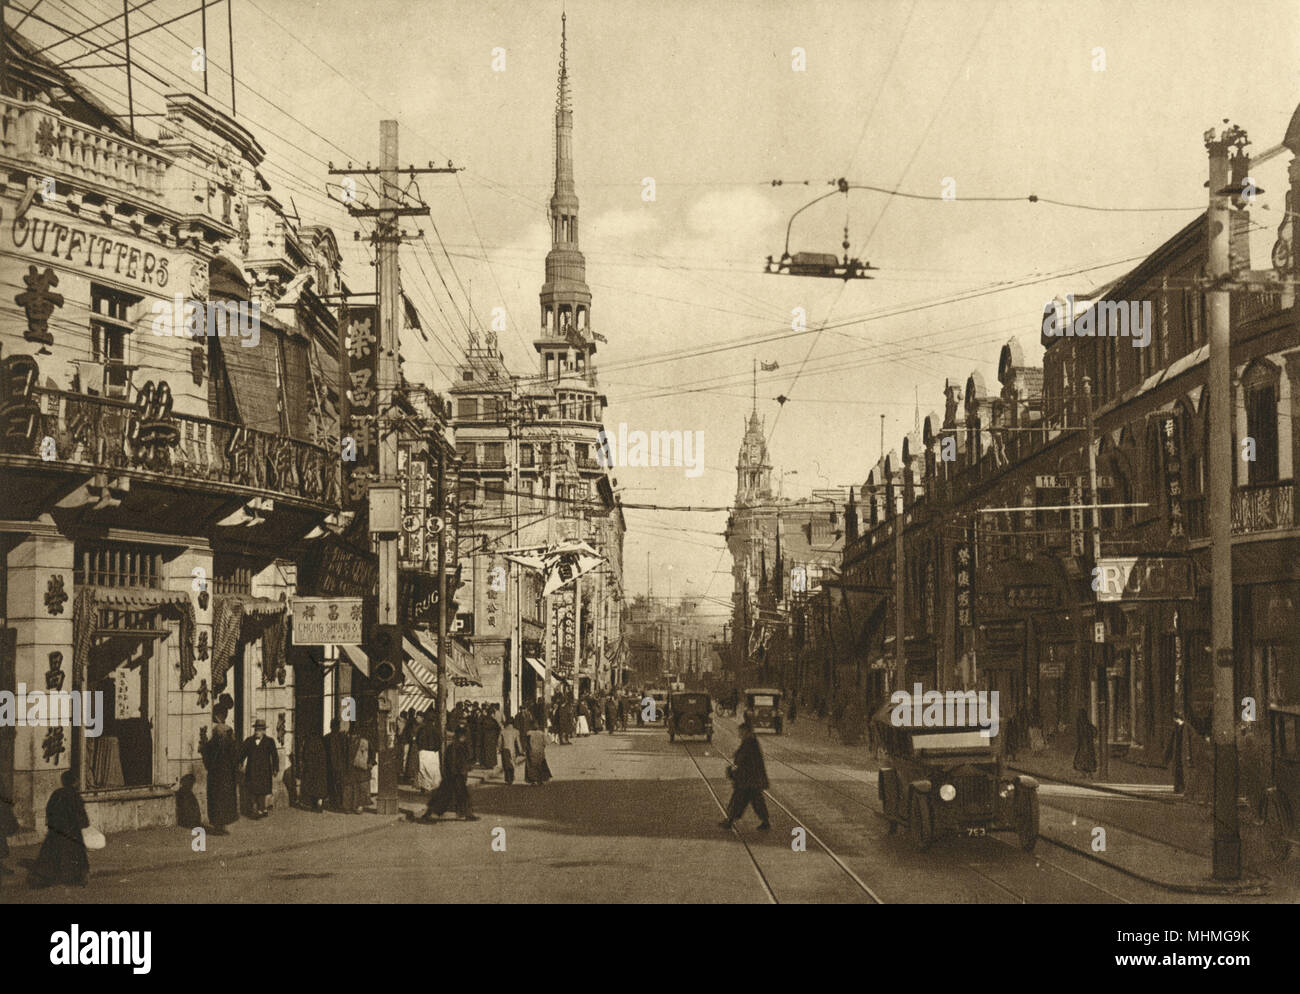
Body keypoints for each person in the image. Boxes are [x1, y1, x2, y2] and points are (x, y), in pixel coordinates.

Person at [29, 770, 90, 888]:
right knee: (75, 855)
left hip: (56, 830)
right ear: (75, 782)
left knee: (51, 853)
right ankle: (73, 878)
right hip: (71, 832)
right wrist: (84, 824)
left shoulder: (57, 793)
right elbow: (79, 814)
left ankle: (46, 877)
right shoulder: (74, 795)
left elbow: (49, 810)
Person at [721, 713, 770, 831]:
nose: (739, 735)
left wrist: (733, 773)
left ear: (746, 732)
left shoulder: (749, 743)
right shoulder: (750, 742)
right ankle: (764, 821)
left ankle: (729, 820)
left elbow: (742, 761)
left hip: (748, 780)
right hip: (752, 779)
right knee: (755, 801)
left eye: (741, 732)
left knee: (738, 800)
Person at [421, 725, 477, 821]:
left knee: (445, 796)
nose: (465, 738)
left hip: (454, 775)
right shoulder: (456, 747)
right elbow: (454, 762)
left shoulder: (456, 746)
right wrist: (459, 772)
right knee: (453, 796)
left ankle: (467, 814)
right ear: (460, 736)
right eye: (463, 736)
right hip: (455, 776)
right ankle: (467, 814)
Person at [201, 703, 239, 833]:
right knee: (226, 798)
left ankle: (218, 825)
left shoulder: (216, 733)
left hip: (216, 772)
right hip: (227, 772)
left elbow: (208, 754)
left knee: (216, 798)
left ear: (217, 716)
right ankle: (223, 825)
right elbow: (234, 754)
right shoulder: (229, 733)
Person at [239, 718, 279, 818]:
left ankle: (262, 808)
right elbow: (242, 753)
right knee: (253, 790)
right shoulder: (249, 741)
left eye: (260, 730)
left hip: (264, 770)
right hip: (252, 770)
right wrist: (240, 762)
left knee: (263, 790)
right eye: (256, 729)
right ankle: (258, 809)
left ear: (264, 731)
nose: (257, 732)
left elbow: (274, 755)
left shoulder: (269, 741)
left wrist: (275, 768)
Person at [298, 730, 328, 813]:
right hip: (321, 768)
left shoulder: (308, 742)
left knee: (312, 787)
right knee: (320, 788)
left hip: (311, 768)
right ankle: (320, 804)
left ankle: (314, 805)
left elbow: (305, 756)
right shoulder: (322, 742)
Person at [324, 718, 348, 811]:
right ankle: (339, 803)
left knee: (332, 785)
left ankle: (334, 803)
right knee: (339, 786)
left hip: (331, 766)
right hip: (339, 766)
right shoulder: (342, 738)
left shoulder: (327, 738)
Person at [416, 710, 441, 791]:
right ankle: (433, 786)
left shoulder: (421, 728)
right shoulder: (435, 729)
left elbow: (418, 740)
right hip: (433, 752)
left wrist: (420, 748)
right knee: (433, 770)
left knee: (423, 769)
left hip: (423, 751)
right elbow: (439, 741)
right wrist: (436, 749)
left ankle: (424, 786)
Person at [499, 716, 522, 784]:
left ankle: (507, 779)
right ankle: (511, 778)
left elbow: (499, 741)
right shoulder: (516, 731)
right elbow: (518, 742)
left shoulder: (503, 731)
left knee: (506, 765)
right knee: (512, 764)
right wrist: (520, 750)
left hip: (505, 749)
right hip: (512, 750)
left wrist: (499, 748)